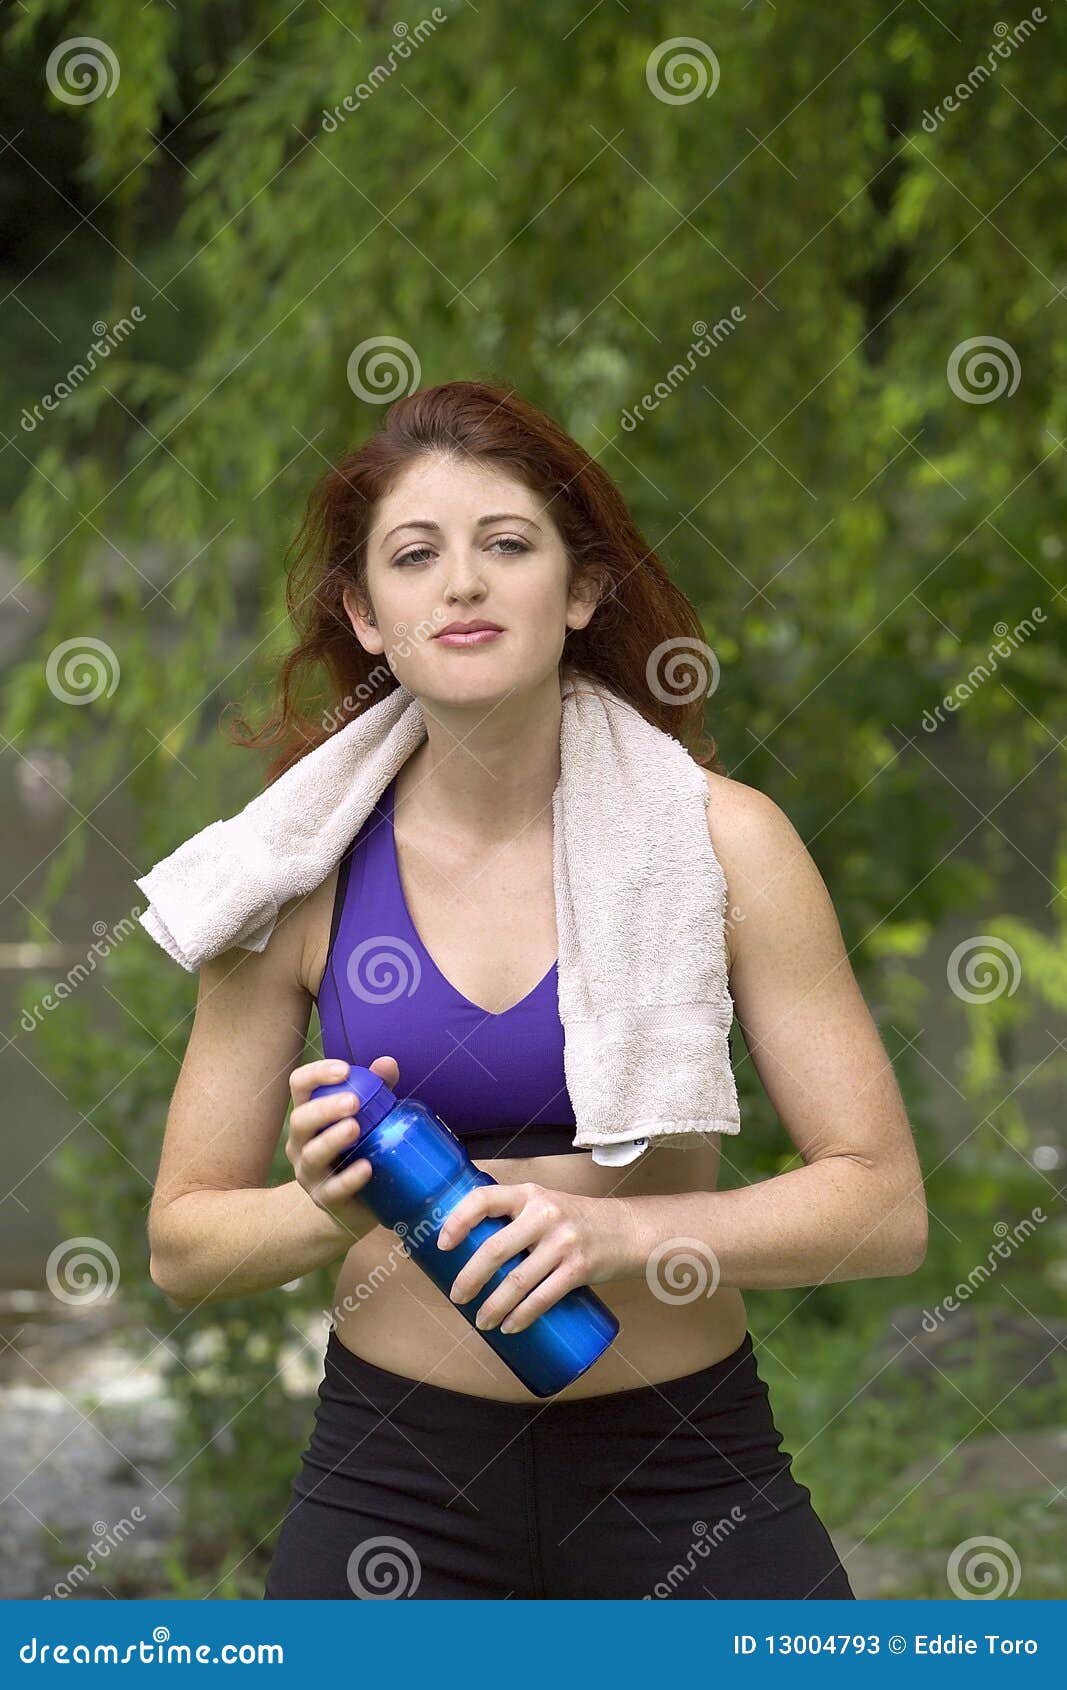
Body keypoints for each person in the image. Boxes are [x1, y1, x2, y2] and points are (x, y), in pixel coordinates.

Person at [148, 380, 927, 1600]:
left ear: (579, 589)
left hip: (683, 1468)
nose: (461, 583)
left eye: (506, 544)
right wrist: (330, 1210)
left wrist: (620, 1234)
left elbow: (882, 1207)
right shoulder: (298, 875)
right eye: (415, 555)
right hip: (390, 1479)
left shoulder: (722, 844)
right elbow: (182, 1245)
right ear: (365, 614)